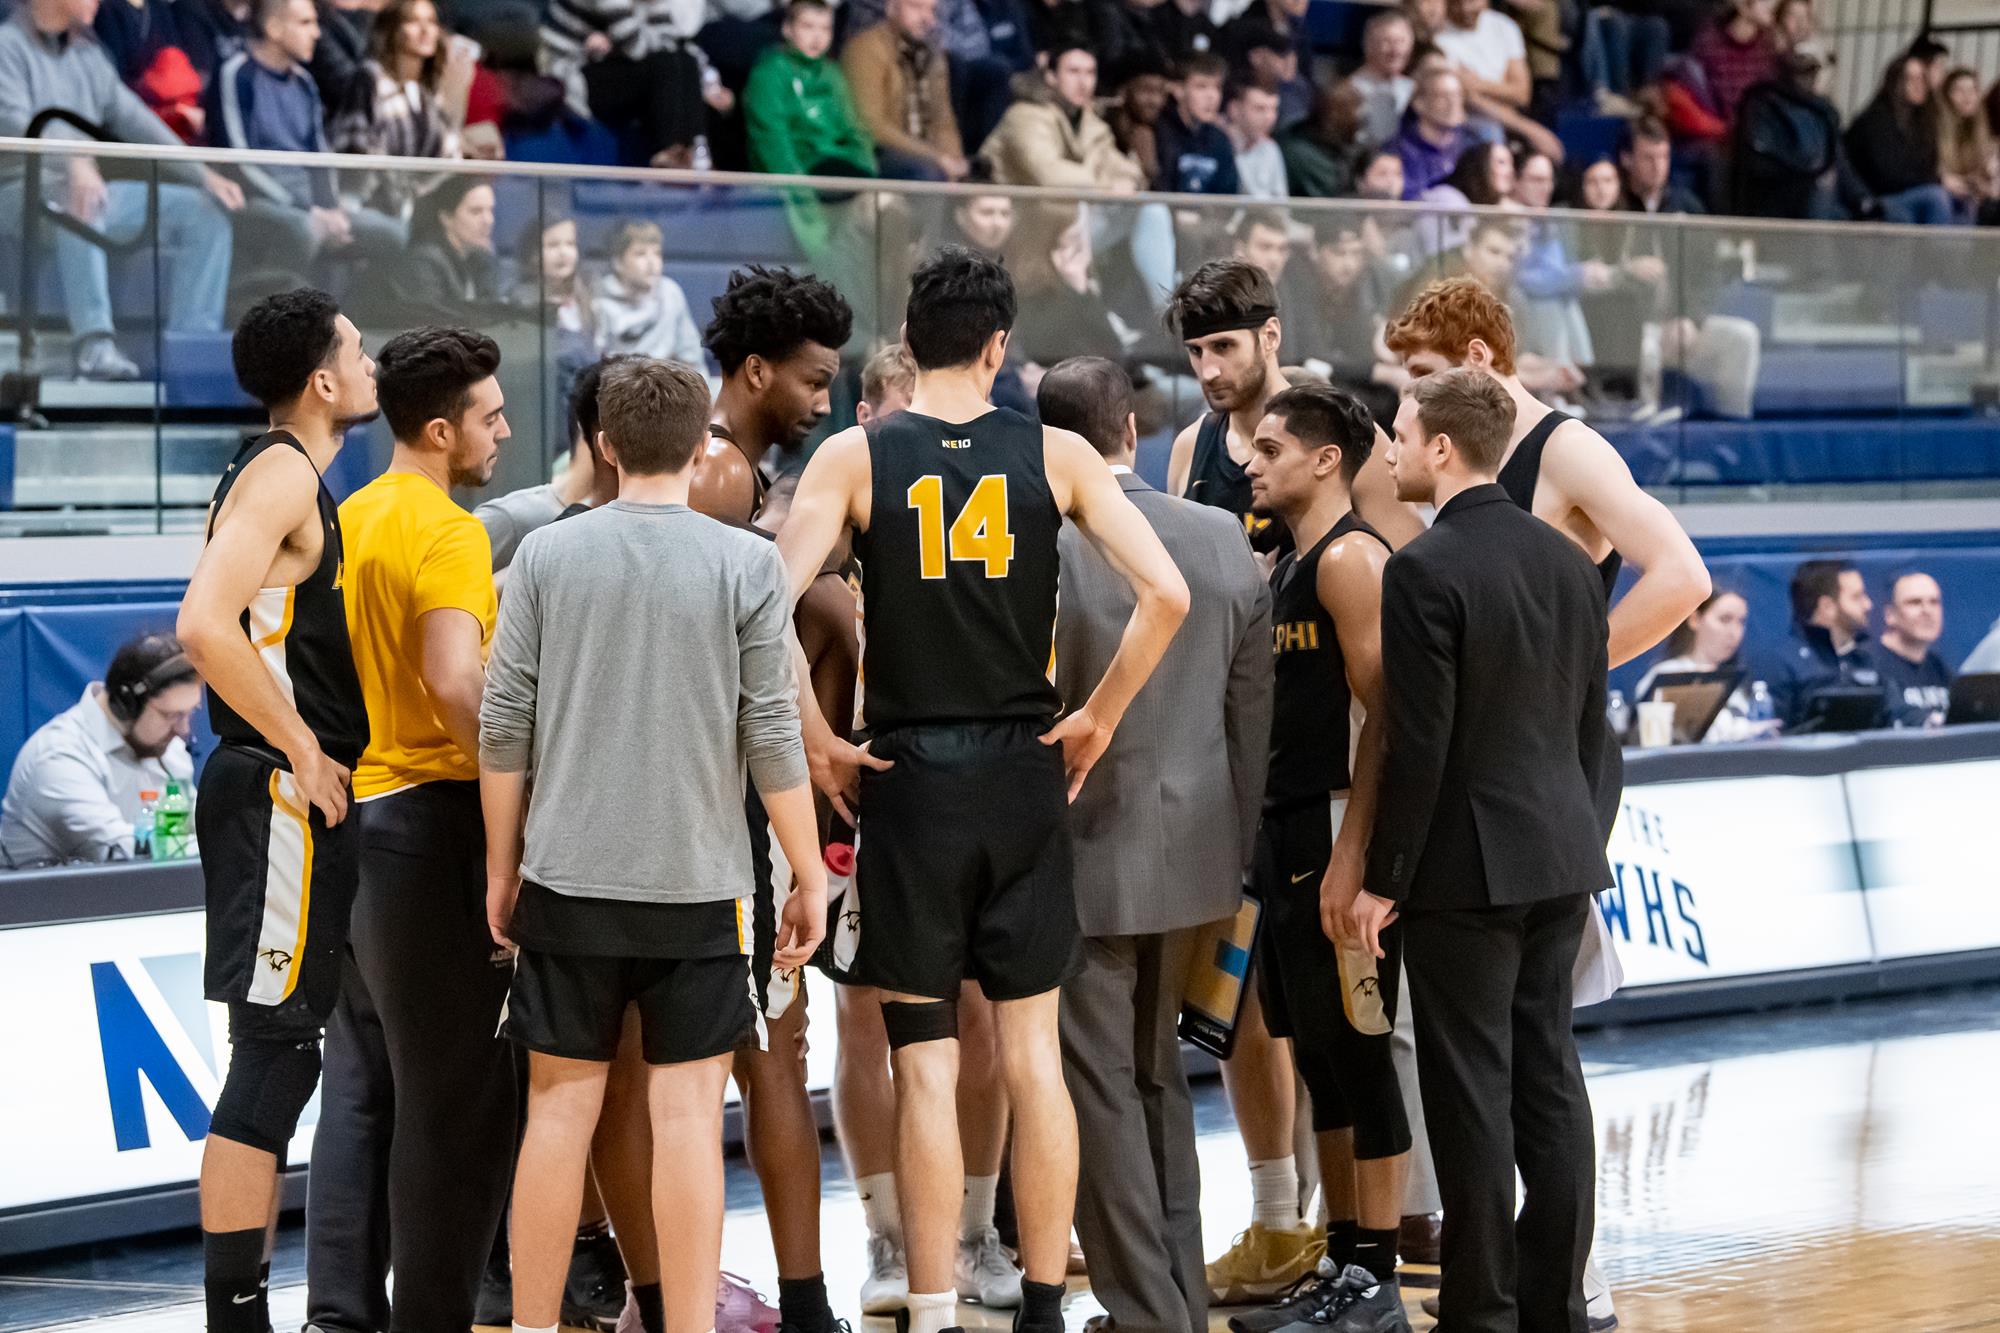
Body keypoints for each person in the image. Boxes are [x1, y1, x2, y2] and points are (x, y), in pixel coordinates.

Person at [774, 244, 1190, 1333]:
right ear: (1000, 346)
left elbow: (752, 609)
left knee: (922, 1060)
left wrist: (818, 738)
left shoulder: (854, 457)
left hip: (907, 782)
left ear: (908, 343)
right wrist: (1095, 714)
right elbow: (1168, 593)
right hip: (1021, 773)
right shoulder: (1057, 454)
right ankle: (1044, 1304)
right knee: (1031, 1054)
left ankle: (927, 1304)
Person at [480, 356, 828, 1333]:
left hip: (564, 877)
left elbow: (503, 723)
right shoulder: (747, 565)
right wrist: (805, 871)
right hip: (703, 885)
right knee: (684, 1122)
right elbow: (771, 733)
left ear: (601, 442)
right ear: (702, 441)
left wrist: (501, 863)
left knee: (558, 1114)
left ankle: (536, 1326)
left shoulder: (544, 557)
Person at [1358, 366, 1611, 1333]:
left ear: (1440, 448)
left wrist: (1385, 878)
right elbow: (1590, 725)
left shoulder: (1423, 567)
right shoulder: (1564, 560)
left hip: (1466, 869)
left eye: (1399, 429)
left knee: (1470, 1094)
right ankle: (1558, 1303)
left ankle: (1481, 1310)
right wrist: (1576, 833)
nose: (1389, 446)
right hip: (1562, 854)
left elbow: (1419, 746)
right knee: (1548, 1079)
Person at [1035, 355, 1272, 1333]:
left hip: (1084, 847)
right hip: (1204, 851)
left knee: (1098, 1089)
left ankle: (1145, 1313)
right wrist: (1237, 849)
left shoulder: (1040, 542)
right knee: (1157, 1074)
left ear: (1044, 441)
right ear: (1129, 427)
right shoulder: (1221, 534)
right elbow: (1251, 715)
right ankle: (1177, 1292)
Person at [304, 326, 515, 1333]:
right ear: (440, 429)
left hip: (349, 823)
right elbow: (451, 680)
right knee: (457, 1105)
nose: (502, 432)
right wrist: (524, 776)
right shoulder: (448, 530)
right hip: (430, 823)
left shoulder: (346, 518)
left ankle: (337, 1315)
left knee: (359, 1089)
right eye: (489, 415)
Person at [174, 288, 376, 1333]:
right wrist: (301, 746)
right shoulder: (285, 471)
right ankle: (235, 1318)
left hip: (280, 786)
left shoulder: (286, 475)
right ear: (323, 380)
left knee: (282, 1051)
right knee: (272, 1055)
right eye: (357, 346)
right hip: (274, 786)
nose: (371, 358)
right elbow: (203, 625)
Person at [1234, 382, 1414, 1333]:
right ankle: (1343, 1256)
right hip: (1283, 829)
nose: (1251, 462)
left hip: (1333, 829)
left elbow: (1388, 716)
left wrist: (1355, 858)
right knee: (1319, 1058)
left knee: (1361, 1052)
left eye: (1269, 448)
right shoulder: (1287, 565)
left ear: (1325, 460)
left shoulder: (1350, 561)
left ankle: (1376, 1278)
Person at [0, 0, 241, 381]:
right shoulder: (7, 47)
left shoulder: (86, 52)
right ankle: (95, 349)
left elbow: (133, 118)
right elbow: (18, 123)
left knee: (205, 210)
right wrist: (74, 159)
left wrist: (200, 173)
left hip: (87, 186)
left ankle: (190, 350)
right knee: (80, 201)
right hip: (19, 192)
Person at [1167, 259, 1422, 554]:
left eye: (1223, 346)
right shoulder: (1189, 446)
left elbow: (1410, 569)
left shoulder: (1348, 434)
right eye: (1196, 351)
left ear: (1270, 336)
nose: (1208, 370)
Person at [0, 634, 199, 867]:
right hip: (44, 901)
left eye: (189, 713)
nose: (183, 730)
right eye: (172, 716)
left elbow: (195, 826)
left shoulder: (168, 749)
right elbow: (119, 851)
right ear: (126, 704)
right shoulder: (58, 757)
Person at [693, 265, 851, 523]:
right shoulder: (720, 471)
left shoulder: (738, 465)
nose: (825, 406)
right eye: (815, 384)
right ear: (756, 372)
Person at [326, 0, 470, 221]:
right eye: (413, 21)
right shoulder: (370, 79)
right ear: (392, 30)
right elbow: (358, 150)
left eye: (431, 22)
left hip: (411, 210)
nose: (425, 31)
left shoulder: (424, 94)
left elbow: (449, 157)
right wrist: (403, 197)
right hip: (365, 208)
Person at [539, 0, 728, 168]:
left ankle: (696, 150)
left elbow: (670, 41)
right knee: (666, 65)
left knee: (684, 61)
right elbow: (634, 46)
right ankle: (671, 156)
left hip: (609, 64)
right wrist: (620, 45)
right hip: (570, 77)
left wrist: (615, 45)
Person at [979, 44, 1148, 192]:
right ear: (1051, 77)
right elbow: (1047, 174)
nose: (1083, 82)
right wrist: (1107, 185)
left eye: (1090, 73)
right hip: (1008, 216)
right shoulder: (1024, 115)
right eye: (1073, 72)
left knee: (1152, 210)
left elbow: (1121, 167)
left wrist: (1128, 182)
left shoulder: (1091, 124)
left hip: (1066, 217)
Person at [744, 0, 877, 177]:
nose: (817, 37)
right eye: (808, 27)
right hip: (801, 172)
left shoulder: (832, 73)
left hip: (842, 164)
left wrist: (868, 171)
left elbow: (856, 130)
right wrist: (803, 195)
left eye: (825, 29)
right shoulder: (768, 75)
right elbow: (772, 144)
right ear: (787, 29)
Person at [843, 0, 968, 181]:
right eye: (915, 7)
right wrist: (937, 157)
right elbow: (871, 125)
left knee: (971, 176)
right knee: (927, 173)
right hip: (880, 150)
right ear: (891, 8)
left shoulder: (932, 53)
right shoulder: (865, 49)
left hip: (925, 153)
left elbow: (944, 121)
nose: (927, 18)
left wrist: (954, 160)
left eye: (932, 10)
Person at [1758, 559, 1888, 732]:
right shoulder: (1781, 663)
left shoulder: (1867, 657)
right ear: (1827, 606)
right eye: (1857, 597)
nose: (1868, 605)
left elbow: (1896, 713)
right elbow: (1771, 735)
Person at [1431, 0, 1559, 162]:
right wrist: (1529, 129)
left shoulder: (1504, 27)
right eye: (1457, 3)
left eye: (1472, 2)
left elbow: (1521, 94)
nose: (1465, 9)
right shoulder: (1439, 38)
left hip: (1509, 123)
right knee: (1489, 133)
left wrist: (1477, 84)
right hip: (1467, 127)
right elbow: (1470, 100)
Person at [1631, 589, 1761, 743]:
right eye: (1725, 619)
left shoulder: (1737, 681)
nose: (1734, 632)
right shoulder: (1669, 675)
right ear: (1695, 620)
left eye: (1741, 622)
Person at [1846, 53, 1960, 226]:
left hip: (1912, 193)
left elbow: (1925, 166)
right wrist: (1938, 181)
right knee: (1936, 197)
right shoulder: (1873, 122)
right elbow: (1888, 177)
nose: (1919, 85)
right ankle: (1936, 254)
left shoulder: (1922, 124)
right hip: (1877, 198)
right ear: (1894, 83)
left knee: (1964, 204)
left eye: (1922, 79)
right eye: (1911, 79)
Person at [592, 220, 708, 372]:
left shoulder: (670, 293)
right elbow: (594, 366)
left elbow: (691, 357)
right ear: (618, 262)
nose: (652, 262)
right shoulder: (598, 301)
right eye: (641, 254)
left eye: (657, 253)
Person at [401, 174, 501, 315]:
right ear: (446, 217)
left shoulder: (480, 259)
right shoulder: (424, 262)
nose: (488, 220)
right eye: (476, 211)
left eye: (491, 210)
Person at [1869, 572, 1953, 728]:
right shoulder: (1871, 665)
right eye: (1915, 602)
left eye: (1934, 602)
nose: (1927, 610)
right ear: (1890, 614)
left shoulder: (1938, 666)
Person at [1155, 51, 1240, 196]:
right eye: (1201, 87)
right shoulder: (1158, 133)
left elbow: (1228, 197)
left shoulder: (1220, 140)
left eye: (1217, 87)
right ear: (1178, 89)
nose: (1212, 96)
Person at [1689, 0, 1779, 130]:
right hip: (1714, 130)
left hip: (1756, 131)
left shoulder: (1767, 46)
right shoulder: (1709, 41)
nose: (1773, 4)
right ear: (1743, 5)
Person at [1387, 65, 1474, 199]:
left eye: (1457, 95)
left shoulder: (1472, 147)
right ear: (1419, 103)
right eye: (1442, 96)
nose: (1453, 103)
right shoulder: (1399, 150)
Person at [1278, 80, 1363, 199]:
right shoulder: (1299, 152)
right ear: (1334, 116)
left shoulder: (1343, 151)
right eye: (1353, 117)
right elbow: (1329, 200)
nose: (1358, 122)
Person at [1937, 66, 1998, 223]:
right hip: (1950, 196)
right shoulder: (1936, 131)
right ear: (1946, 96)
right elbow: (1941, 174)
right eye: (1959, 91)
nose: (1967, 97)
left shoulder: (1984, 132)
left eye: (1972, 90)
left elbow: (1987, 182)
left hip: (1978, 200)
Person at [1349, 8, 1415, 149]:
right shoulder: (1351, 91)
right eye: (1387, 42)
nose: (1395, 51)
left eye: (1401, 41)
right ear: (1369, 46)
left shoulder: (1413, 89)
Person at [1224, 80, 1288, 200]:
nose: (1269, 117)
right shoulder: (1217, 146)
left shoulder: (1270, 149)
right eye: (1259, 109)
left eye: (1273, 109)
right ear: (1234, 109)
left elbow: (1281, 204)